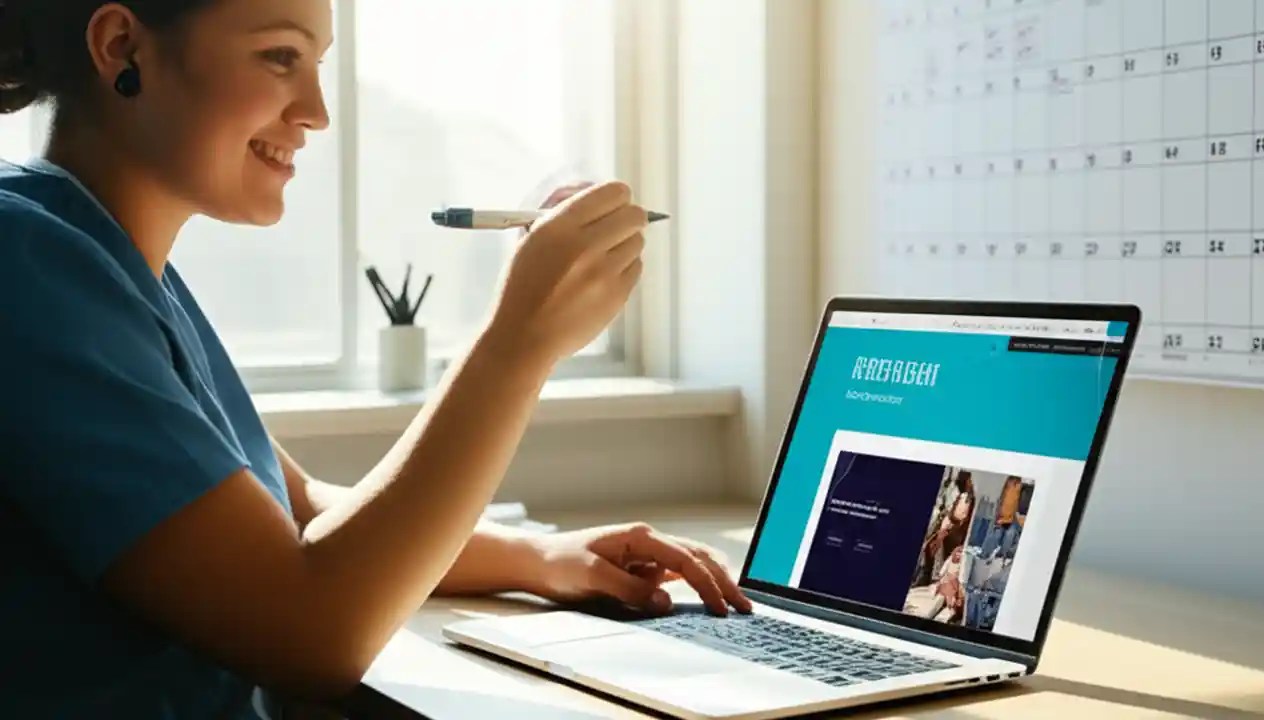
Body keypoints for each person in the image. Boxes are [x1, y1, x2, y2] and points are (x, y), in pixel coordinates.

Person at [0, 1, 752, 717]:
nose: (316, 112)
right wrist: (517, 345)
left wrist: (541, 559)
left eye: (317, 64)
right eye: (280, 56)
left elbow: (296, 509)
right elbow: (312, 633)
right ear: (121, 45)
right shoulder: (29, 267)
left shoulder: (114, 266)